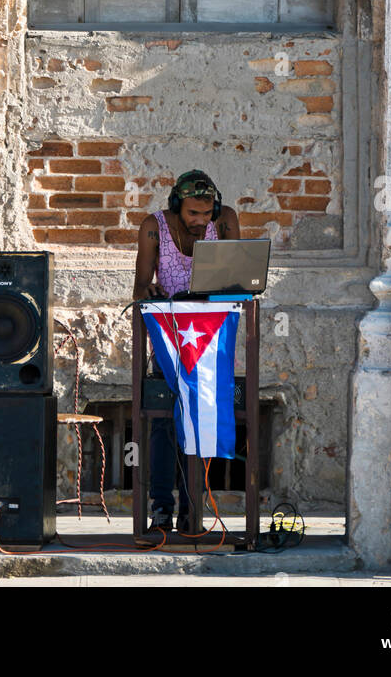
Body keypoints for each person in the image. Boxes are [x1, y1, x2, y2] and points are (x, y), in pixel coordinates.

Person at [132, 169, 241, 533]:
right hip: (170, 346)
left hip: (210, 345)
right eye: (193, 213)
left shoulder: (224, 222)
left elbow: (237, 281)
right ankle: (161, 507)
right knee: (163, 423)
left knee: (203, 418)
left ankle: (192, 508)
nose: (200, 221)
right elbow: (140, 287)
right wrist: (151, 294)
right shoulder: (153, 227)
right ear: (177, 207)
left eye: (206, 213)